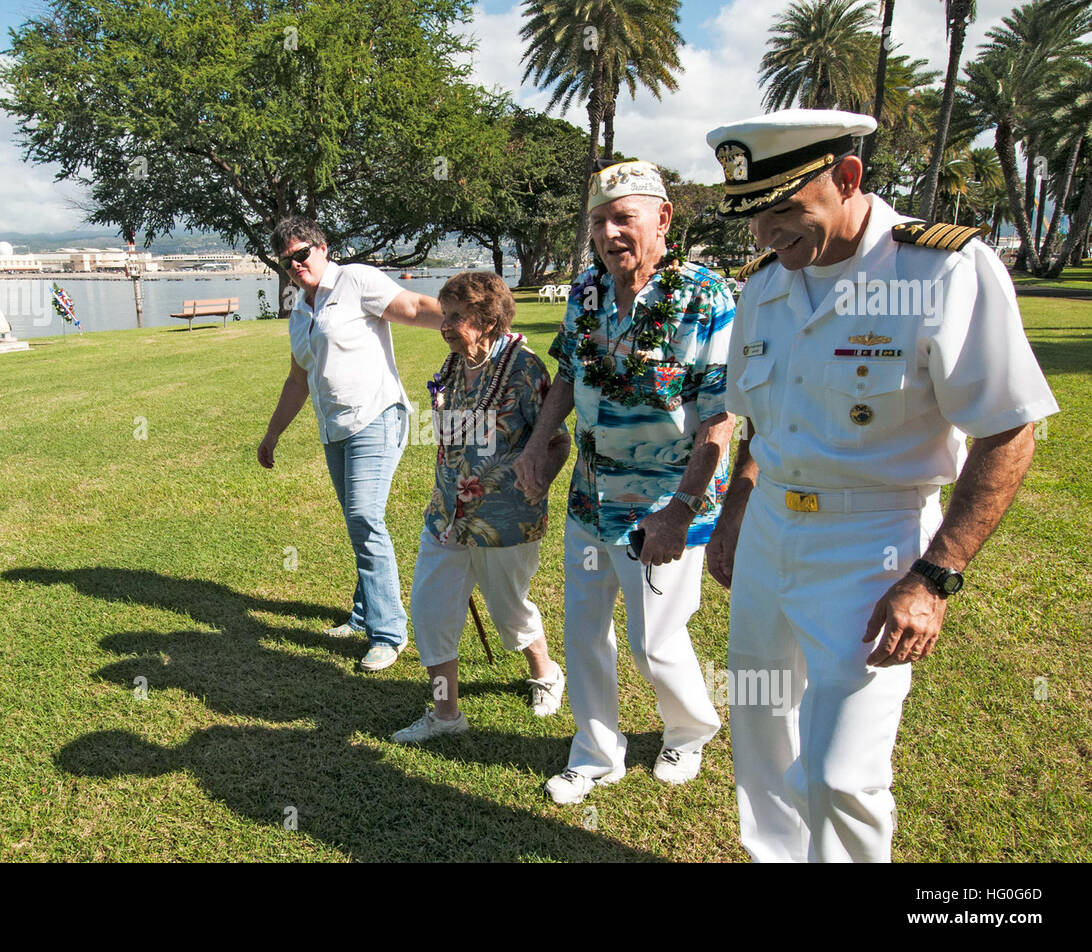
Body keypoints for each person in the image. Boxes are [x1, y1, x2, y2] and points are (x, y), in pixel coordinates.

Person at [703, 109, 1060, 862]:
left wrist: (936, 576)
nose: (768, 235)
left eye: (784, 210)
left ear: (848, 177)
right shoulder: (766, 284)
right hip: (769, 531)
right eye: (753, 218)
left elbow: (1008, 428)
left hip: (873, 542)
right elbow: (763, 423)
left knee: (841, 773)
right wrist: (736, 511)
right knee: (762, 731)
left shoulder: (940, 269)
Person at [515, 160, 735, 805]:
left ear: (663, 220)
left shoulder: (706, 298)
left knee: (655, 640)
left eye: (622, 219)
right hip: (591, 498)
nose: (609, 233)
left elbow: (721, 418)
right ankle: (596, 751)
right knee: (583, 630)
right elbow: (564, 378)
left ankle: (689, 731)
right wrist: (535, 445)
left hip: (665, 508)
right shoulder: (585, 292)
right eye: (599, 222)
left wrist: (681, 509)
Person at [257, 217, 443, 673]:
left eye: (302, 254)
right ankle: (363, 615)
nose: (296, 265)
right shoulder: (301, 311)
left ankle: (389, 631)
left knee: (364, 516)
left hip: (377, 415)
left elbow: (415, 307)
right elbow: (297, 379)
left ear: (322, 248)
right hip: (334, 430)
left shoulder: (355, 280)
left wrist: (474, 320)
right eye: (287, 261)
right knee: (357, 521)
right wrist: (272, 433)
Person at [392, 272, 571, 742]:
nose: (445, 325)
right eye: (444, 314)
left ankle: (547, 673)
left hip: (505, 521)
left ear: (489, 320)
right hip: (446, 516)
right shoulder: (454, 366)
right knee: (431, 612)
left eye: (456, 317)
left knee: (509, 611)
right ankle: (445, 715)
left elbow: (557, 441)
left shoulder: (525, 369)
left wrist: (538, 483)